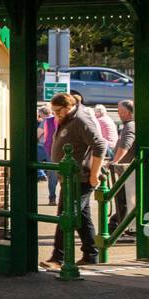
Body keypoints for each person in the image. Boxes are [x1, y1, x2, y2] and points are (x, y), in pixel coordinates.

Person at [43, 92, 107, 268]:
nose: (55, 114)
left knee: (66, 215)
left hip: (80, 177)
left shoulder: (79, 119)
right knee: (82, 217)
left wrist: (94, 174)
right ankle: (90, 254)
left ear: (68, 106)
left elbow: (100, 144)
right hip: (70, 177)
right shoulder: (69, 117)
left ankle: (58, 258)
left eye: (57, 111)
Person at [110, 99, 136, 230]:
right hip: (128, 169)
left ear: (126, 112)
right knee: (124, 199)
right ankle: (118, 223)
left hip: (128, 170)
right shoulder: (130, 125)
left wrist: (115, 161)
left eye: (119, 111)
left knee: (123, 199)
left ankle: (121, 226)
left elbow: (125, 146)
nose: (118, 114)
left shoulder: (130, 126)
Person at [37, 104, 59, 205]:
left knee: (28, 161)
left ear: (42, 114)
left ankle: (40, 174)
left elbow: (38, 134)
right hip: (55, 149)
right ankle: (52, 198)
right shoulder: (57, 120)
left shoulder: (46, 121)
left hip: (42, 148)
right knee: (53, 175)